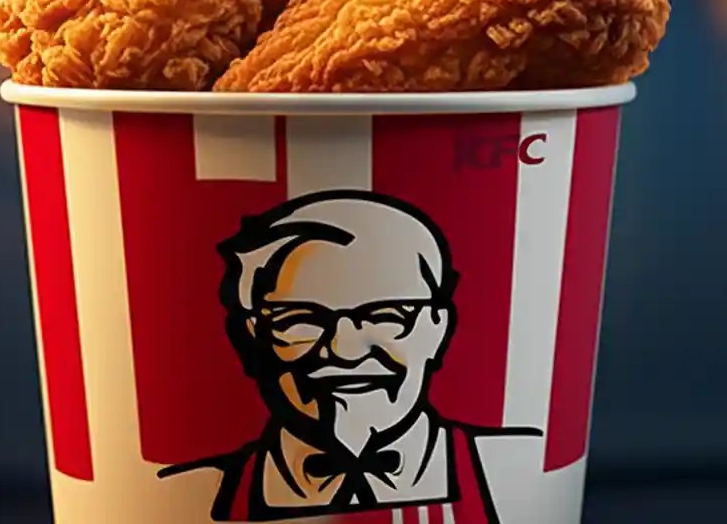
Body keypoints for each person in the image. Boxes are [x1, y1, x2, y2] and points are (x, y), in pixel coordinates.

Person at [160, 191, 538, 522]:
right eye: (300, 320)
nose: (344, 350)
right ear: (254, 337)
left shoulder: (517, 470)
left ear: (438, 327)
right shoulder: (186, 493)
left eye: (387, 316)